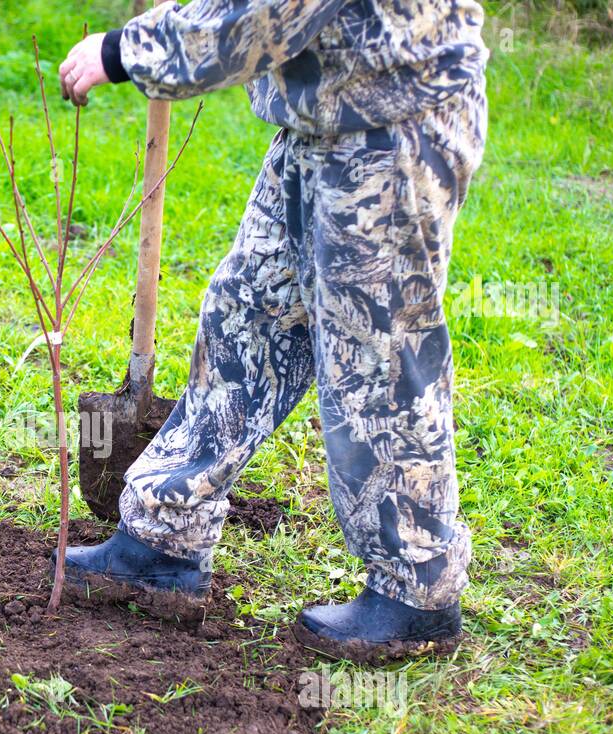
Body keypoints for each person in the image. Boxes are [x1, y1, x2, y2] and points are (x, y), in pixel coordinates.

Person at [56, 1, 489, 663]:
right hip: (323, 115)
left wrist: (122, 52)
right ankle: (165, 536)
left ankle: (416, 586)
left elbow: (262, 17)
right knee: (248, 315)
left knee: (377, 356)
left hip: (395, 124)